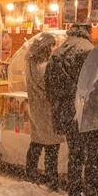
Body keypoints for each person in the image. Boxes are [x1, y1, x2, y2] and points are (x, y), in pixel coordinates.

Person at [45, 21, 98, 196]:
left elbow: (49, 87)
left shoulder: (58, 51)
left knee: (75, 155)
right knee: (94, 155)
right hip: (87, 113)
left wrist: (63, 105)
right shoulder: (89, 50)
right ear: (88, 31)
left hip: (66, 114)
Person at [23, 31, 62, 188]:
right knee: (51, 145)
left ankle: (31, 171)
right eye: (51, 46)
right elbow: (52, 88)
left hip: (37, 108)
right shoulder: (45, 67)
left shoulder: (29, 63)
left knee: (37, 142)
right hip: (47, 110)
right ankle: (51, 177)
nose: (52, 49)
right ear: (45, 48)